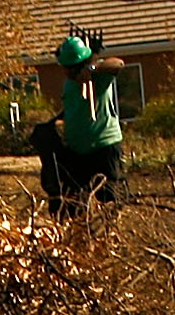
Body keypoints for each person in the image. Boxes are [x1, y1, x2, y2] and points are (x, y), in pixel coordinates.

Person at [37, 32, 127, 213]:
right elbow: (74, 109)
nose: (66, 71)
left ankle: (109, 235)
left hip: (104, 148)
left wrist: (93, 69)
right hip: (79, 151)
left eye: (70, 68)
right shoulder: (70, 83)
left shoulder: (97, 77)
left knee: (109, 199)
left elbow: (118, 63)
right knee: (73, 202)